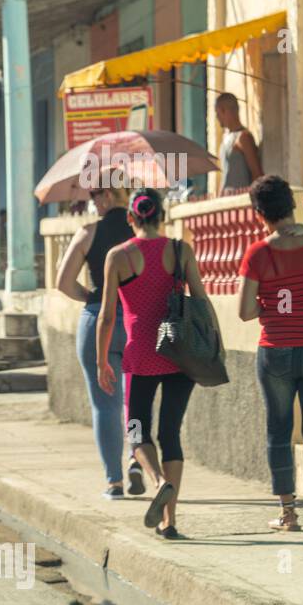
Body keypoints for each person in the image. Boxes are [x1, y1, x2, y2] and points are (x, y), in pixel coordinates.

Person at [96, 190, 208, 539]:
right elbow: (201, 300)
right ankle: (169, 522)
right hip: (180, 354)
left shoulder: (118, 256)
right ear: (163, 215)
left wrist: (101, 361)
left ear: (131, 218)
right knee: (170, 434)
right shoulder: (180, 249)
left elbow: (106, 316)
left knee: (135, 430)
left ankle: (157, 481)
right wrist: (211, 346)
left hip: (140, 354)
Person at [237, 175, 303, 534]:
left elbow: (245, 311)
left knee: (279, 430)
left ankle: (288, 514)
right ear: (294, 204)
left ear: (259, 212)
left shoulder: (259, 253)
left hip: (277, 349)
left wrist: (271, 305)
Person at [54, 168, 145, 498]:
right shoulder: (140, 230)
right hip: (137, 321)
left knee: (104, 405)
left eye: (94, 196)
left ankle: (114, 482)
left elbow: (63, 282)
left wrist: (92, 297)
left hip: (97, 322)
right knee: (136, 400)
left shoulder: (88, 233)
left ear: (108, 196)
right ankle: (137, 458)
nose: (91, 203)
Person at [215, 92, 263, 195]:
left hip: (240, 200)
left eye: (217, 112)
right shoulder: (226, 138)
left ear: (224, 110)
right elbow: (226, 175)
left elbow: (257, 174)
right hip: (226, 201)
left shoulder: (243, 137)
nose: (217, 117)